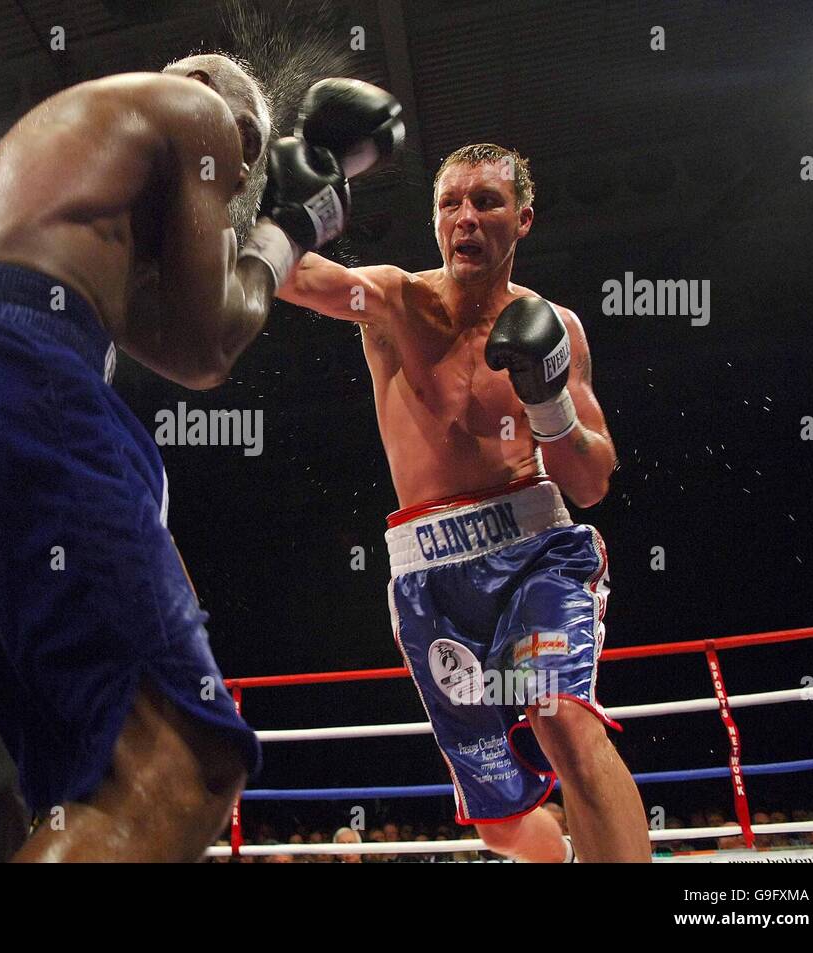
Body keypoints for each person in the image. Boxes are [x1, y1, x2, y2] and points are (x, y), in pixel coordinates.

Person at [0, 51, 402, 861]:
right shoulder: (199, 111)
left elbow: (190, 348)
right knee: (182, 768)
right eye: (244, 156)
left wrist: (277, 231)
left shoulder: (85, 192)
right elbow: (216, 343)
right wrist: (290, 227)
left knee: (72, 778)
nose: (238, 179)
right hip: (11, 376)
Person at [278, 143, 649, 862]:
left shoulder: (557, 327)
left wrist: (548, 407)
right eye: (451, 203)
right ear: (435, 219)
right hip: (428, 575)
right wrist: (266, 198)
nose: (467, 218)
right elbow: (288, 276)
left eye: (487, 202)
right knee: (498, 814)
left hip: (534, 553)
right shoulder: (391, 302)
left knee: (562, 717)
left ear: (525, 218)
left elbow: (593, 480)